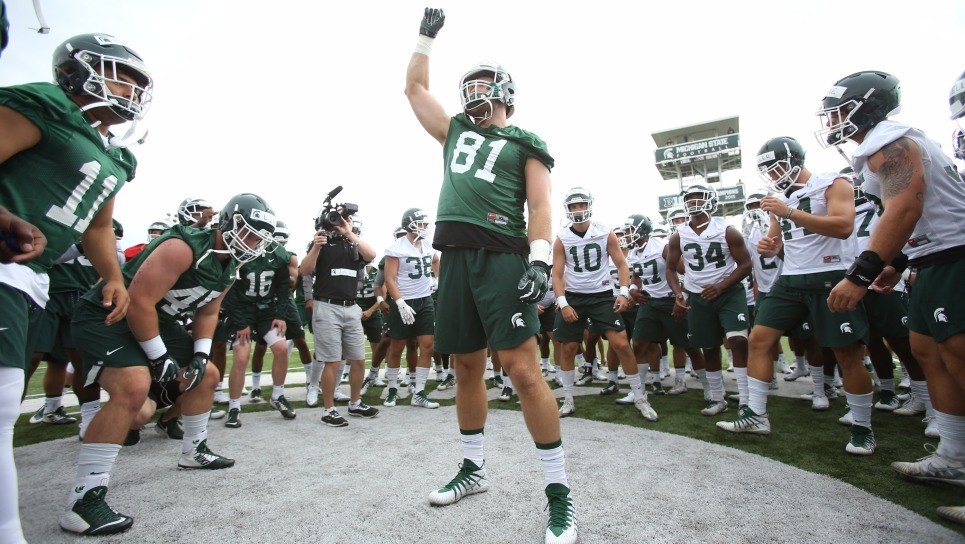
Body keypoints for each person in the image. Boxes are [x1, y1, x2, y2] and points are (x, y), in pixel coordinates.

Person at [405, 8, 577, 544]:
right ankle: (474, 468)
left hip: (503, 256)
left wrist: (540, 259)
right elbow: (413, 88)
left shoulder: (525, 140)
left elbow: (541, 205)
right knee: (464, 367)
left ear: (505, 91)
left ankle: (559, 496)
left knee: (524, 371)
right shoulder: (455, 131)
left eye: (485, 83)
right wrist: (425, 38)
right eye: (469, 84)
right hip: (454, 257)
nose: (474, 91)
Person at [0, 33, 152, 542]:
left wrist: (112, 276)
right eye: (119, 74)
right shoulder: (45, 104)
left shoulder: (110, 153)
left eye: (136, 81)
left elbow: (96, 226)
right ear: (77, 70)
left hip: (33, 280)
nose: (129, 89)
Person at [62, 192, 274, 535]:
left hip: (156, 319)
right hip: (110, 311)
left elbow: (208, 310)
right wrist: (159, 357)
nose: (252, 243)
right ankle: (83, 499)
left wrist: (201, 353)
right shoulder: (183, 247)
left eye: (258, 238)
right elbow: (140, 300)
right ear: (228, 223)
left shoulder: (232, 265)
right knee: (133, 387)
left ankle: (193, 450)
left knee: (207, 375)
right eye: (248, 233)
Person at [818, 71, 965, 514]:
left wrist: (861, 274)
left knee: (958, 354)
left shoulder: (891, 143)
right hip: (931, 257)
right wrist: (897, 262)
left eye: (840, 110)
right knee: (927, 350)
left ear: (868, 107)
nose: (832, 120)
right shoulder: (882, 146)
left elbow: (906, 207)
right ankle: (956, 457)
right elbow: (919, 211)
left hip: (954, 254)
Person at [718, 136, 875, 455]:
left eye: (777, 168)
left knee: (846, 354)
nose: (774, 176)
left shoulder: (832, 182)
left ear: (794, 160)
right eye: (768, 171)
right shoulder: (779, 197)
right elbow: (778, 240)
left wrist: (788, 212)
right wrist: (771, 245)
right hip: (789, 278)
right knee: (759, 339)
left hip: (829, 276)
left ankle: (863, 428)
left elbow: (843, 225)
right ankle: (756, 415)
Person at [552, 188, 656, 421]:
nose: (578, 209)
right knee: (568, 347)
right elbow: (557, 275)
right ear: (567, 209)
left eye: (581, 205)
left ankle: (640, 397)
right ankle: (568, 399)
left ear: (589, 205)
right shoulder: (562, 237)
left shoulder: (604, 231)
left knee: (621, 343)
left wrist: (623, 292)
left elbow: (622, 264)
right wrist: (563, 302)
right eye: (573, 206)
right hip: (575, 296)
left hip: (601, 295)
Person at [665, 184, 752, 417]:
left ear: (711, 200)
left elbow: (746, 264)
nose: (694, 201)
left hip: (729, 293)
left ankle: (745, 399)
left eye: (699, 197)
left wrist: (722, 285)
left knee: (738, 340)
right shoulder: (678, 234)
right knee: (709, 346)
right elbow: (671, 269)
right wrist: (678, 294)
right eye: (690, 198)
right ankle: (717, 397)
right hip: (697, 296)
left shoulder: (727, 230)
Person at [299, 203, 379, 427]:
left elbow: (371, 254)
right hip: (327, 306)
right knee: (332, 362)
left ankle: (355, 403)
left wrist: (349, 233)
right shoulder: (321, 243)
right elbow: (304, 271)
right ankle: (329, 409)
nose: (343, 221)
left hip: (351, 307)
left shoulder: (353, 243)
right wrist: (316, 246)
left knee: (359, 360)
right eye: (341, 219)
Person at [382, 207, 440, 408]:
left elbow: (436, 259)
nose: (425, 227)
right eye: (421, 224)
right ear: (410, 224)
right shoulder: (397, 247)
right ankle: (392, 389)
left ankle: (419, 392)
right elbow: (389, 278)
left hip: (425, 301)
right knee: (397, 347)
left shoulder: (428, 245)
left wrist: (436, 278)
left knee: (428, 346)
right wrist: (399, 302)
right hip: (404, 301)